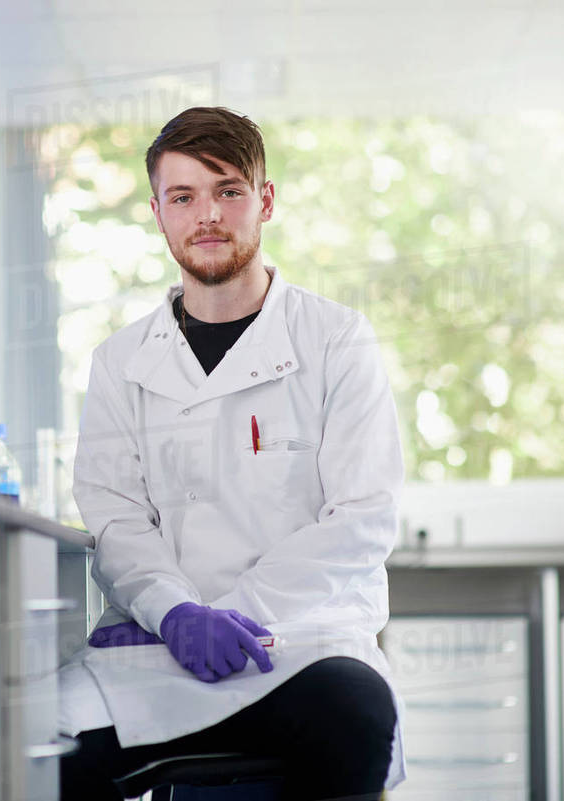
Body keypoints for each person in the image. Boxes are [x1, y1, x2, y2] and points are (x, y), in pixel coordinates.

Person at [59, 107, 405, 800]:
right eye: (183, 197)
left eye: (227, 191)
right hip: (159, 648)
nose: (206, 214)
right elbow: (116, 519)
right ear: (159, 214)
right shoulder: (119, 362)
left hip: (300, 648)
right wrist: (175, 613)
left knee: (357, 712)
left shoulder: (338, 340)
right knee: (45, 741)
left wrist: (236, 613)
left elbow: (362, 517)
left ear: (265, 200)